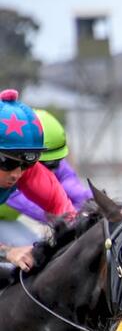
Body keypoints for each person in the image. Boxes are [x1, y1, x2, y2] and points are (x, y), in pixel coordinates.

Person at [0, 89, 75, 271]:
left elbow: (66, 214)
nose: (17, 173)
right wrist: (7, 252)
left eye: (27, 162)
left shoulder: (27, 171)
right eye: (7, 162)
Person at [5, 109, 92, 223]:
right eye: (44, 164)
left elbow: (71, 185)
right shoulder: (10, 169)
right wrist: (64, 217)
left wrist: (91, 199)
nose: (50, 171)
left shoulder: (54, 162)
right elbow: (26, 204)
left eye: (56, 161)